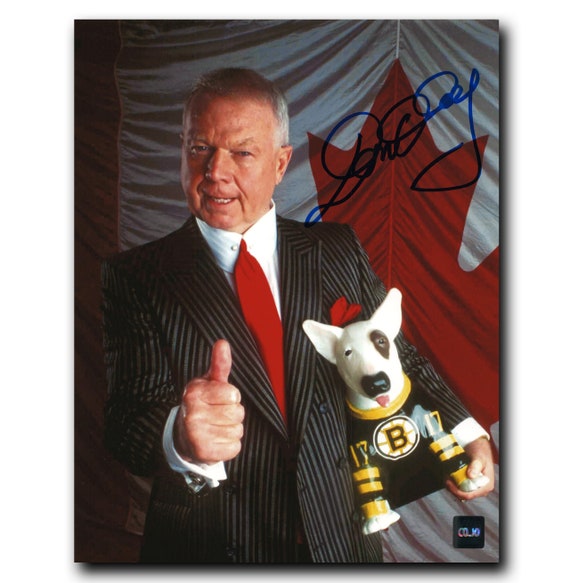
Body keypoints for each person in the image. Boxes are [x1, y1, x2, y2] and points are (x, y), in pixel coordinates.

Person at [101, 67, 495, 563]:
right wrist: (177, 434)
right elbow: (124, 425)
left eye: (242, 152)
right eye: (199, 148)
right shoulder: (135, 276)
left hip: (340, 537)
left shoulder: (337, 247)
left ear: (281, 162)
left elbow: (397, 356)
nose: (215, 171)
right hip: (211, 546)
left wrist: (467, 432)